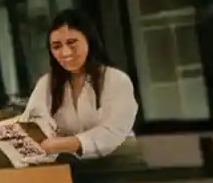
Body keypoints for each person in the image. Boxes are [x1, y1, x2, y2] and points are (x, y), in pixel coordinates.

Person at [21, 10, 140, 160]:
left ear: (89, 41)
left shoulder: (116, 79)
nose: (65, 52)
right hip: (70, 167)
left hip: (121, 165)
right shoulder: (46, 83)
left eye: (72, 43)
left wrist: (64, 143)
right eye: (57, 46)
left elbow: (112, 132)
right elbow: (32, 125)